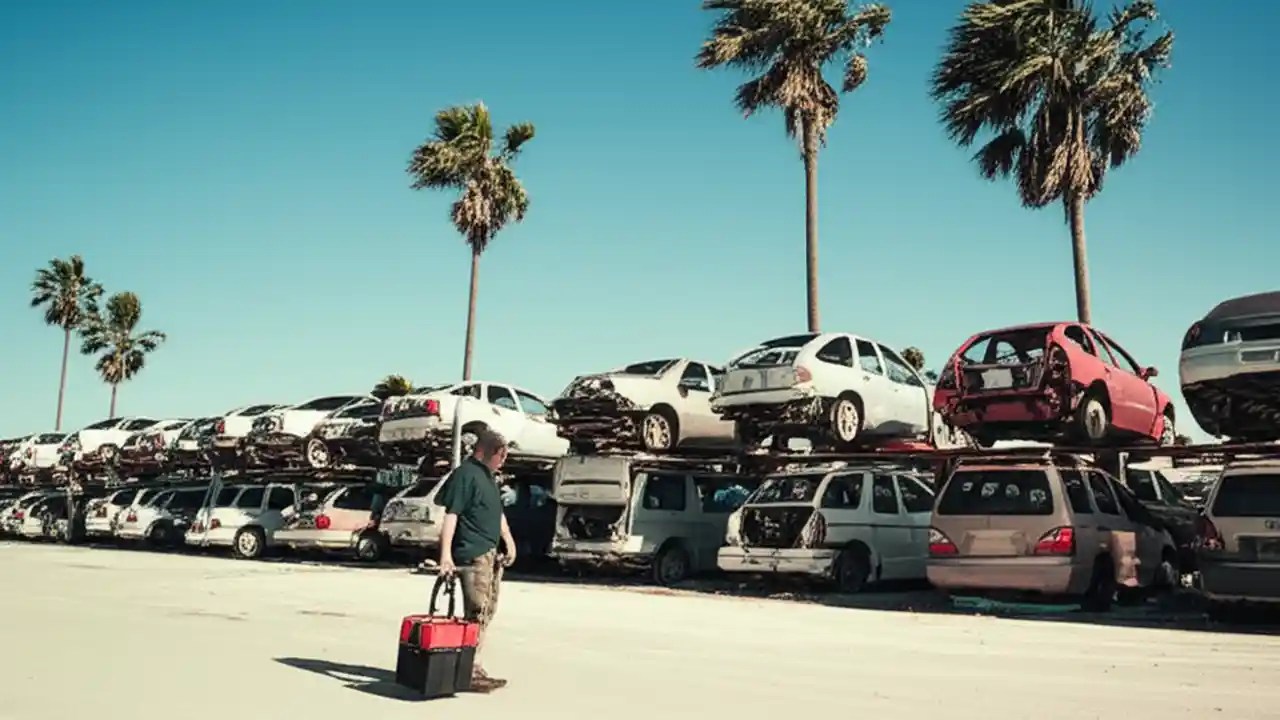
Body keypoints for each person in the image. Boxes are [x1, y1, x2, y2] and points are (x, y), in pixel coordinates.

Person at [436, 428, 516, 693]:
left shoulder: (488, 477)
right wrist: (445, 555)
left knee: (486, 611)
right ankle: (468, 669)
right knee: (476, 610)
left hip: (491, 552)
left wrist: (508, 540)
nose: (503, 459)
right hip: (473, 552)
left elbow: (497, 512)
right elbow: (452, 514)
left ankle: (474, 665)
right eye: (500, 454)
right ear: (484, 451)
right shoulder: (465, 475)